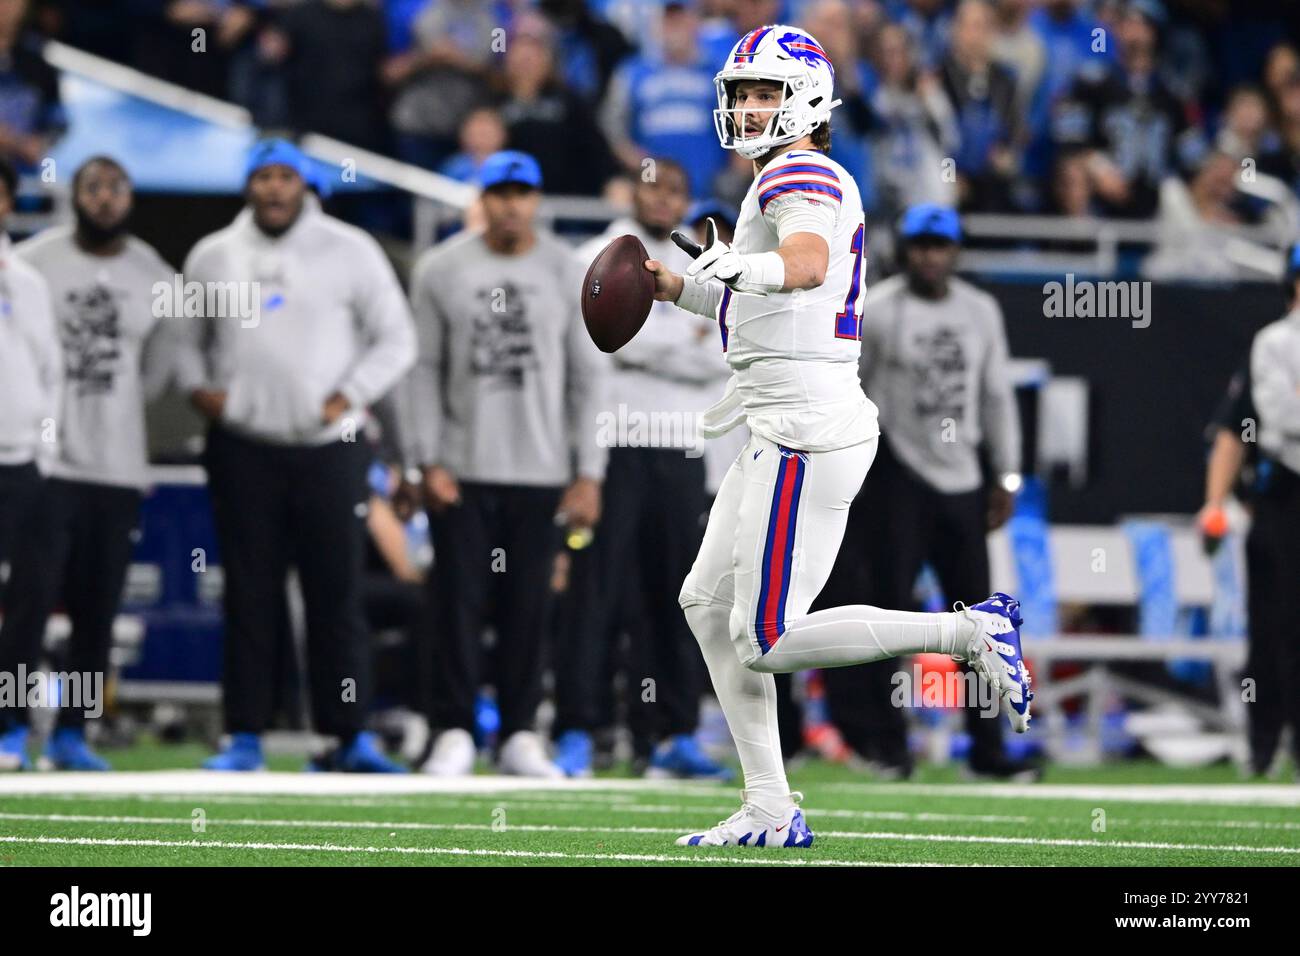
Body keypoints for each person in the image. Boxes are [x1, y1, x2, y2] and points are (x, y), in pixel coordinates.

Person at [642, 25, 1033, 849]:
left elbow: (808, 263)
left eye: (764, 92)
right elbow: (759, 299)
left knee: (768, 635)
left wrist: (730, 267)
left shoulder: (804, 170)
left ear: (808, 98)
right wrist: (678, 286)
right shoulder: (775, 177)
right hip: (778, 420)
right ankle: (770, 806)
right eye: (741, 91)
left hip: (806, 427)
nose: (747, 107)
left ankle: (969, 631)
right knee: (707, 606)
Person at [174, 139, 416, 773]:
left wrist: (351, 394)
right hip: (243, 447)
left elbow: (398, 338)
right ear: (249, 185)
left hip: (328, 448)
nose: (275, 188)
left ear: (304, 185)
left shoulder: (350, 249)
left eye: (286, 177)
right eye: (263, 177)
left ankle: (349, 735)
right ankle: (245, 736)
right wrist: (201, 388)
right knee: (250, 595)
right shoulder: (213, 254)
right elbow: (181, 338)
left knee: (337, 594)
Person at [399, 151, 608, 778]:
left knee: (529, 609)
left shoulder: (567, 270)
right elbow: (422, 371)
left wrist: (589, 471)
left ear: (537, 200)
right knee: (455, 604)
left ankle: (520, 730)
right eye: (499, 193)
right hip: (461, 468)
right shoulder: (440, 268)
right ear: (481, 199)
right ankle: (454, 728)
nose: (511, 205)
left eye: (522, 193)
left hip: (542, 470)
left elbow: (588, 377)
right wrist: (425, 460)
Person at [817, 202, 1037, 782]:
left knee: (981, 624)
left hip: (963, 477)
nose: (930, 257)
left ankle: (987, 751)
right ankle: (890, 745)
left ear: (955, 251)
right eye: (920, 246)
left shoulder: (980, 310)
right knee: (889, 616)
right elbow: (849, 393)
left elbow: (996, 397)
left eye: (939, 246)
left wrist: (1006, 475)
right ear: (905, 250)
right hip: (899, 476)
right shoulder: (881, 308)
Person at [555, 157, 730, 779]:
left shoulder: (712, 260)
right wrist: (682, 343)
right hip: (614, 441)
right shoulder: (594, 253)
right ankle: (578, 728)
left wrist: (653, 346)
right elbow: (598, 347)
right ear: (634, 188)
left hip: (683, 445)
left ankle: (671, 735)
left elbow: (723, 355)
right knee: (595, 594)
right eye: (654, 185)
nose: (664, 198)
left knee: (678, 598)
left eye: (677, 188)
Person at [0, 157, 172, 771]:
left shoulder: (153, 271)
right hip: (51, 465)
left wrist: (124, 411)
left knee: (96, 611)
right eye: (92, 188)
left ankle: (73, 731)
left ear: (130, 197)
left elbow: (160, 368)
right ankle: (13, 725)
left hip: (117, 466)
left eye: (115, 188)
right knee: (29, 601)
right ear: (75, 197)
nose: (104, 199)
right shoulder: (37, 262)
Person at [0, 156, 59, 771]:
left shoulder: (28, 281)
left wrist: (44, 449)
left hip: (19, 461)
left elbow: (52, 374)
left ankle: (10, 726)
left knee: (26, 601)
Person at [1245, 243, 1300, 780]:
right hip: (1284, 493)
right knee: (1273, 627)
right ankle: (1263, 745)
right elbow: (1280, 418)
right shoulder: (1274, 342)